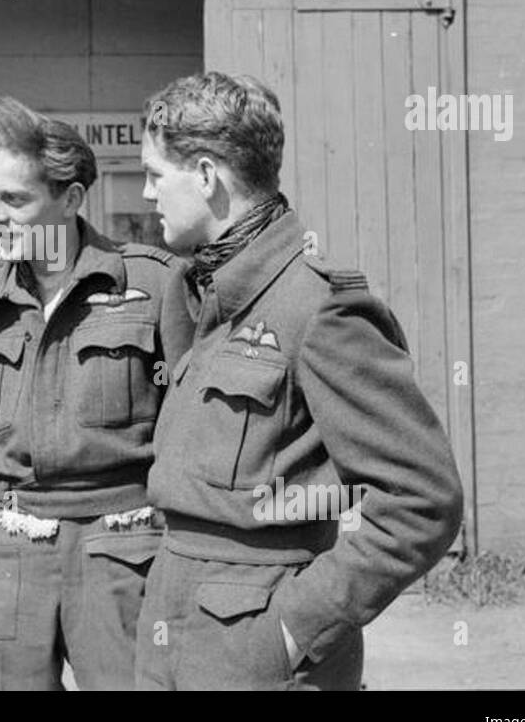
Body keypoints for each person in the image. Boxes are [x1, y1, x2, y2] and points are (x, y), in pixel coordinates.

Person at [133, 72, 463, 690]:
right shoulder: (196, 293)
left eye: (155, 174)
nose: (148, 193)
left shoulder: (320, 309)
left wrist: (295, 626)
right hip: (171, 628)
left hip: (260, 650)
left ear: (206, 176)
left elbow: (424, 500)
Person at [0, 98, 194, 690]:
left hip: (122, 545)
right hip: (7, 548)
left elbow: (189, 433)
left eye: (15, 199)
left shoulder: (155, 286)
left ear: (71, 198)